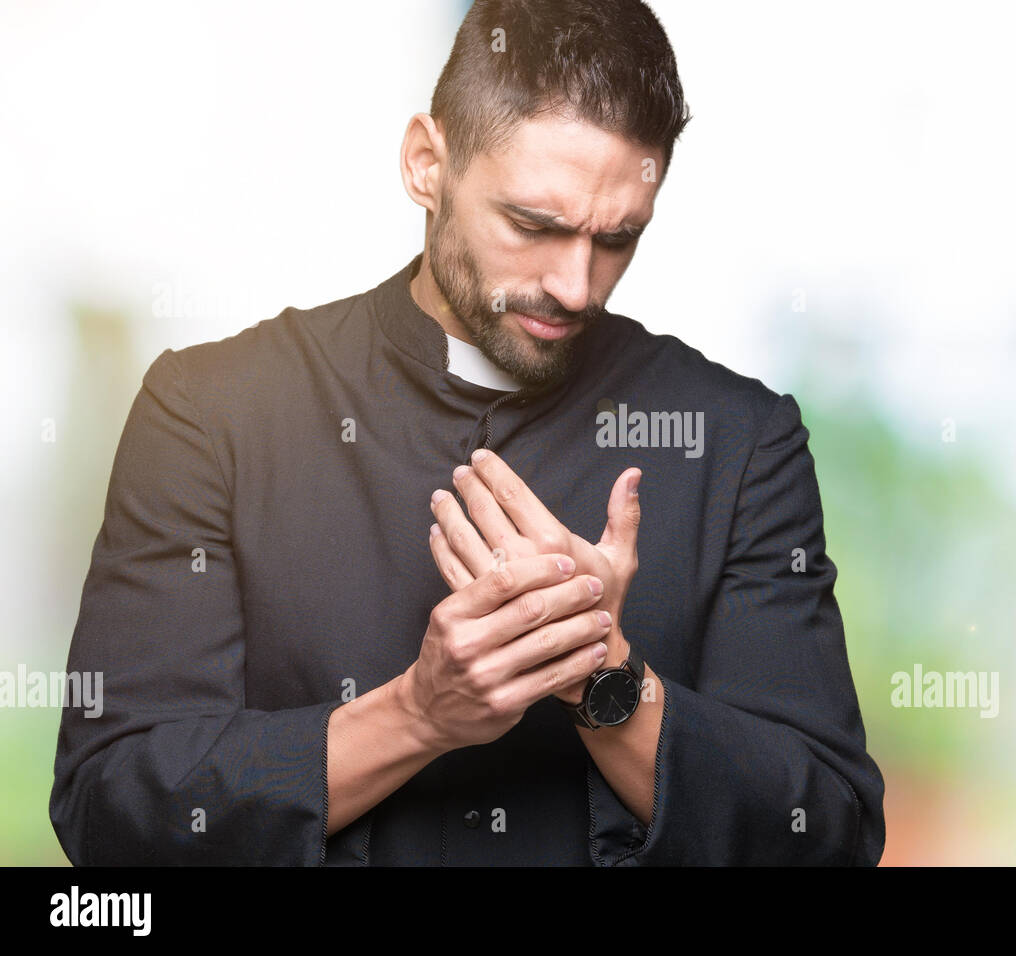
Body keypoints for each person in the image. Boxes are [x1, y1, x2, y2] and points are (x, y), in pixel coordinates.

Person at [49, 0, 886, 866]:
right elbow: (111, 810)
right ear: (426, 163)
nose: (574, 285)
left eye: (617, 239)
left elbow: (828, 830)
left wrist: (601, 673)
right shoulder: (211, 410)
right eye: (533, 225)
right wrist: (418, 713)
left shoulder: (740, 442)